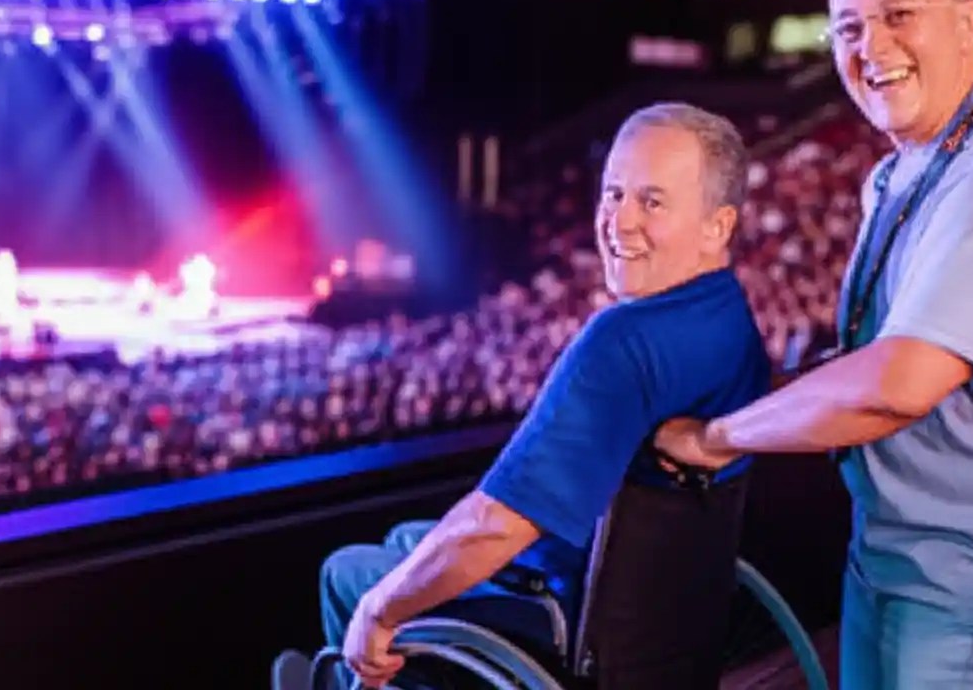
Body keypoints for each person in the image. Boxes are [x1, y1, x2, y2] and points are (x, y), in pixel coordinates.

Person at [654, 0, 973, 687]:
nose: (870, 46)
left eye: (898, 13)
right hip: (906, 549)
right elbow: (872, 356)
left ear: (968, 24)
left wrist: (713, 439)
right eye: (847, 29)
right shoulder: (908, 169)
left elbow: (898, 385)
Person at [273, 102, 772, 690]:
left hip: (574, 625)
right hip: (670, 621)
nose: (619, 221)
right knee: (406, 542)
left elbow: (495, 525)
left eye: (652, 201)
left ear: (718, 225)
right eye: (613, 194)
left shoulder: (623, 343)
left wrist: (381, 611)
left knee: (350, 573)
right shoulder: (732, 320)